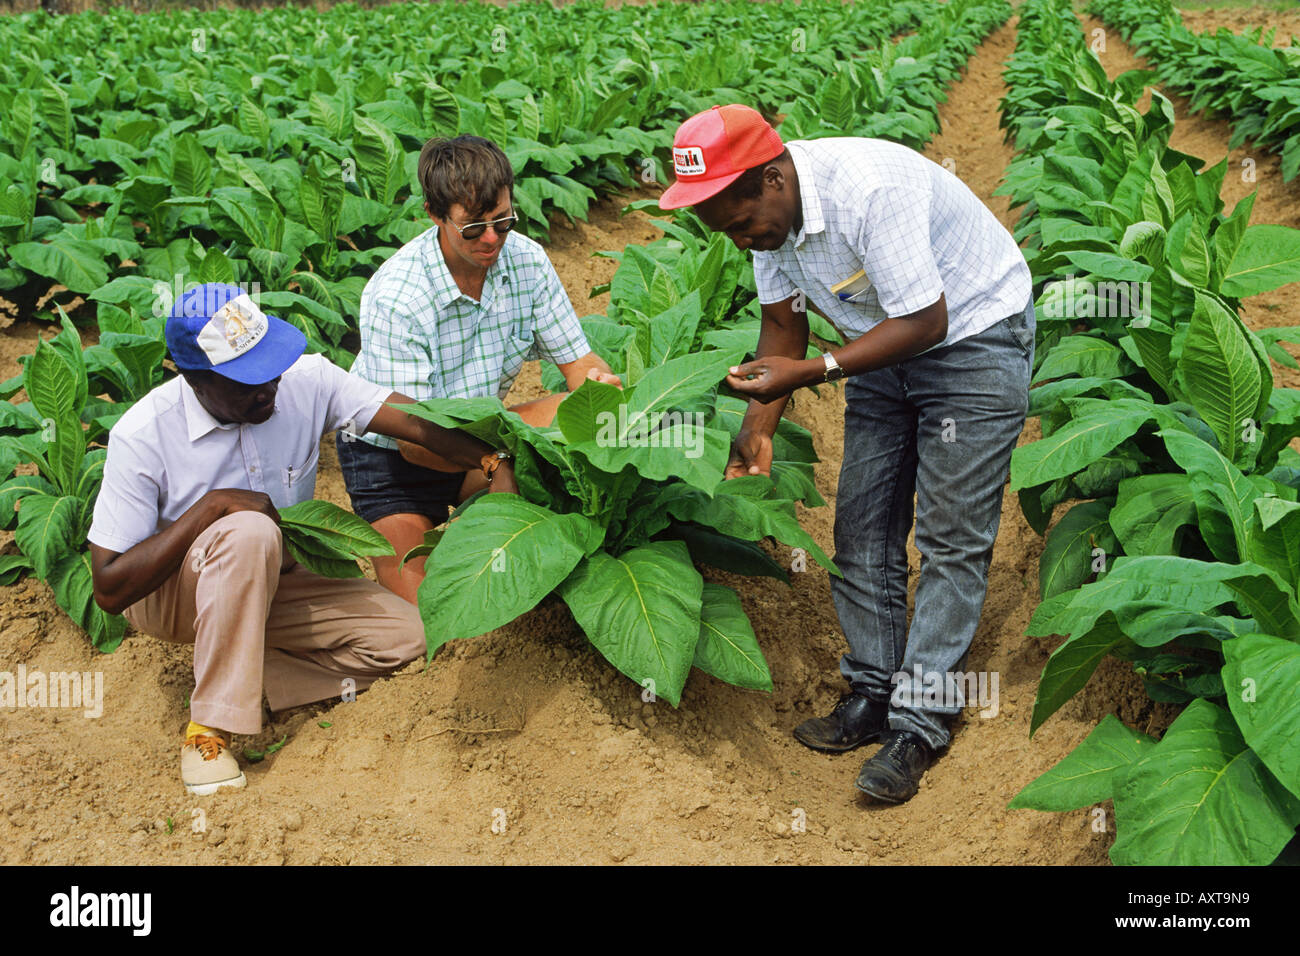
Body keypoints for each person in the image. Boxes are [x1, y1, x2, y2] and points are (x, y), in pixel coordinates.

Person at [659, 105, 1034, 804]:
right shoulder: (764, 223)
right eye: (727, 233)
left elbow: (927, 319)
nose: (744, 241)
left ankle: (919, 722)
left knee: (951, 538)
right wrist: (757, 430)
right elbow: (781, 324)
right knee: (860, 528)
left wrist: (821, 370)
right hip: (878, 346)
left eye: (742, 224)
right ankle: (874, 689)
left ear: (772, 179)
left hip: (973, 339)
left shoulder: (868, 190)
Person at [88, 282, 521, 795]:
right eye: (245, 379)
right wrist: (210, 508)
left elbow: (409, 421)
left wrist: (491, 460)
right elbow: (111, 589)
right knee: (245, 528)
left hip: (278, 580)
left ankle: (249, 670)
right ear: (194, 380)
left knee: (416, 638)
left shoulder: (304, 380)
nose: (267, 386)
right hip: (176, 596)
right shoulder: (145, 434)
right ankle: (208, 731)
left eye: (269, 365)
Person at [339, 135, 621, 604]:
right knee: (434, 611)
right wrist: (495, 464)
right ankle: (452, 530)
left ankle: (482, 524)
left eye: (503, 221)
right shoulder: (396, 296)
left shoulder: (525, 261)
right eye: (473, 228)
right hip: (394, 461)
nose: (492, 239)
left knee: (586, 414)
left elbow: (578, 362)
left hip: (485, 439)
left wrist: (601, 388)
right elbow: (414, 439)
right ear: (434, 213)